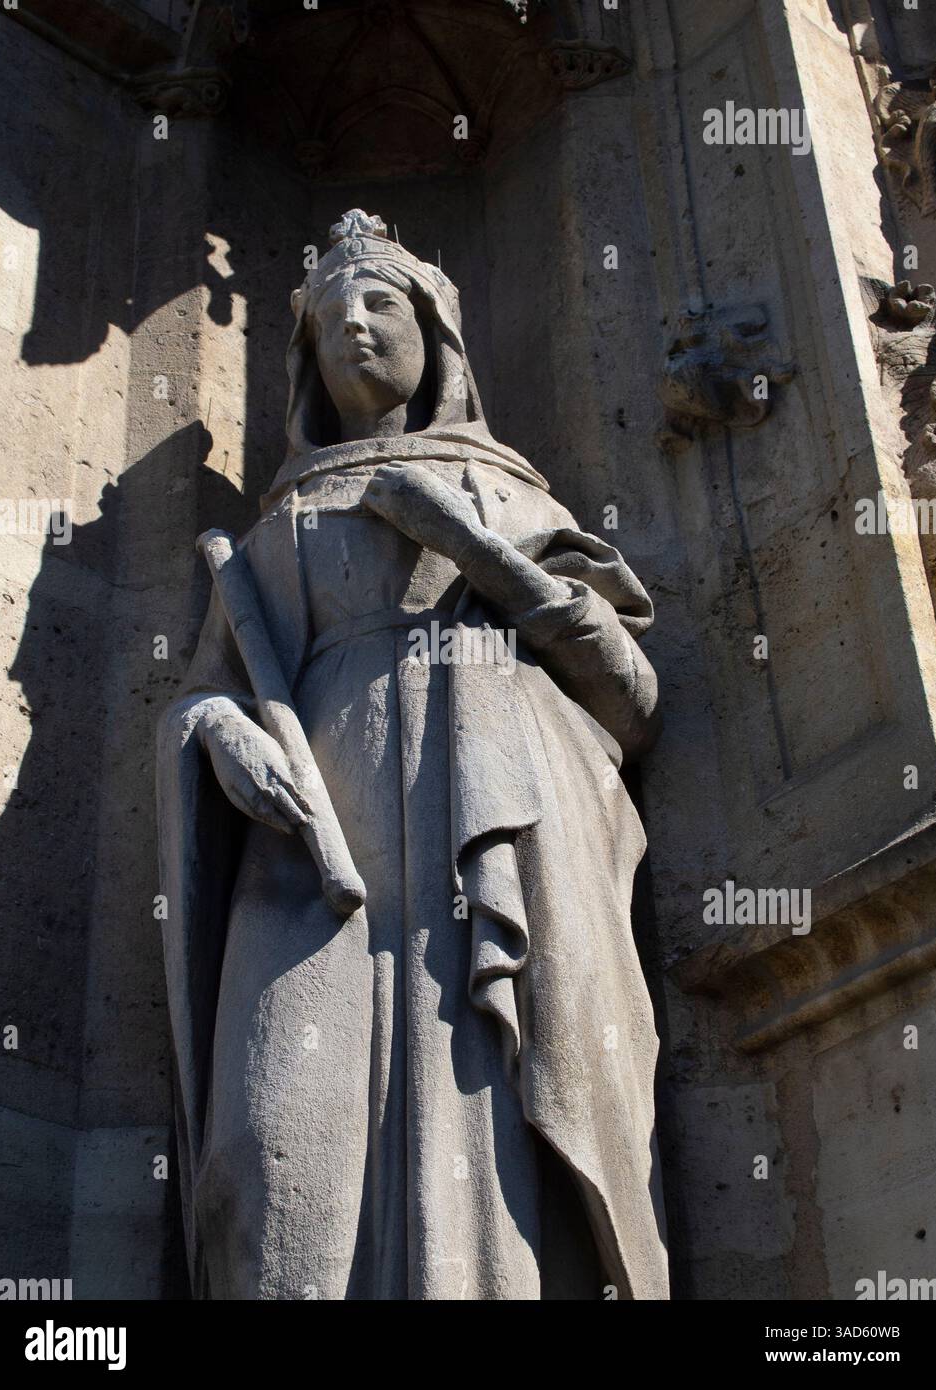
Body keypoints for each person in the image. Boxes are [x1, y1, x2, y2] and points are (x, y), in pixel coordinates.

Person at [157, 209, 669, 1300]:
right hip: (312, 858)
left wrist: (479, 552)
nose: (352, 326)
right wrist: (227, 736)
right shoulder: (285, 524)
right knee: (265, 1140)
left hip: (502, 834)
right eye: (328, 316)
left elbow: (630, 703)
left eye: (380, 303)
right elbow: (204, 694)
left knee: (495, 1099)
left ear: (437, 332)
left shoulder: (516, 496)